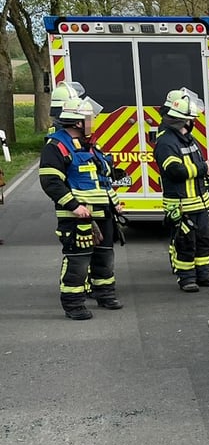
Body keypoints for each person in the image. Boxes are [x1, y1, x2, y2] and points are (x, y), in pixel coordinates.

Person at [38, 95, 122, 319]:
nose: (91, 122)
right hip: (77, 216)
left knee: (104, 257)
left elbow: (102, 179)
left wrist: (115, 203)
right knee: (77, 261)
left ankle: (105, 294)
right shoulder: (56, 146)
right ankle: (73, 304)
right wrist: (74, 206)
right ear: (77, 122)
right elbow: (51, 182)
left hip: (102, 212)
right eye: (88, 119)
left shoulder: (91, 146)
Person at [154, 87, 209, 292]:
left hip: (198, 201)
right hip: (182, 204)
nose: (193, 122)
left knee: (203, 240)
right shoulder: (166, 142)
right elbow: (175, 171)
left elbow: (193, 164)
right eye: (191, 118)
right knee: (185, 242)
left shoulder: (185, 138)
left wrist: (206, 168)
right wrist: (203, 168)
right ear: (183, 120)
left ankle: (203, 274)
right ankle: (186, 278)